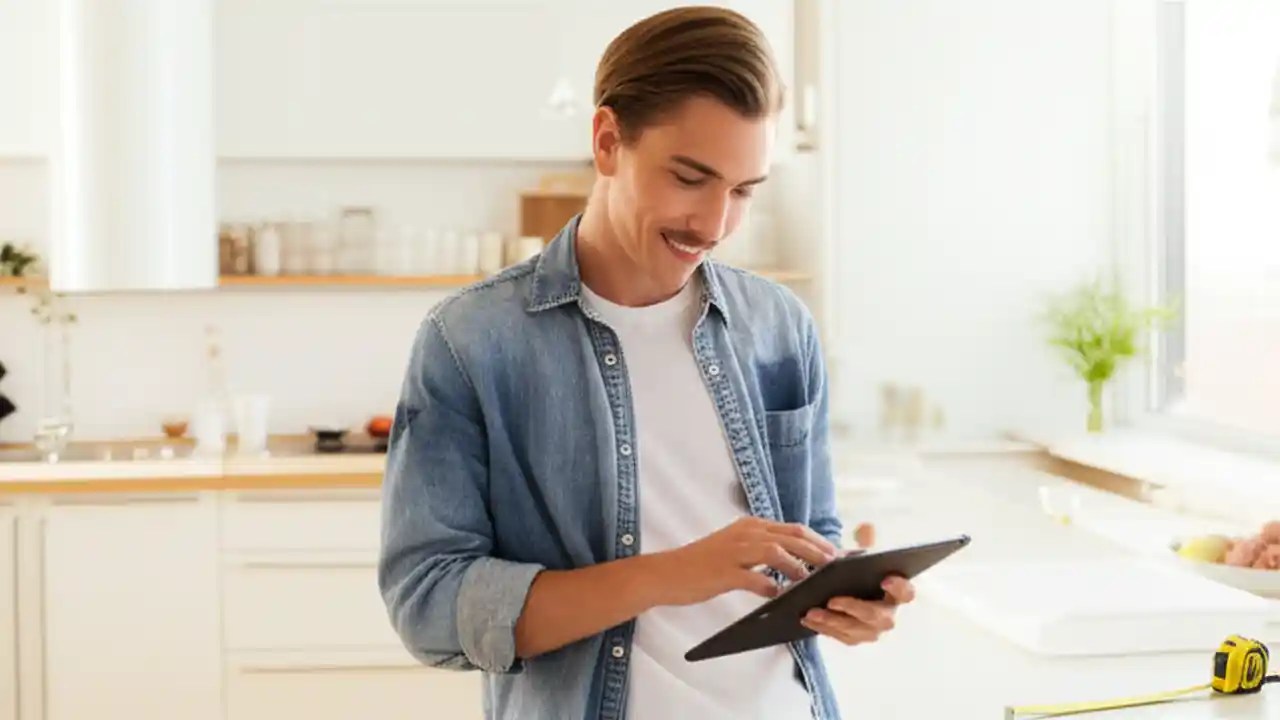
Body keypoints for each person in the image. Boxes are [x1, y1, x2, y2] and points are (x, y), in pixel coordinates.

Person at [378, 6, 914, 720]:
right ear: (607, 141)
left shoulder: (778, 325)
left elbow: (810, 534)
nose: (716, 223)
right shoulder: (473, 341)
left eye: (743, 191)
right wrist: (670, 574)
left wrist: (843, 595)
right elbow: (429, 606)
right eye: (690, 178)